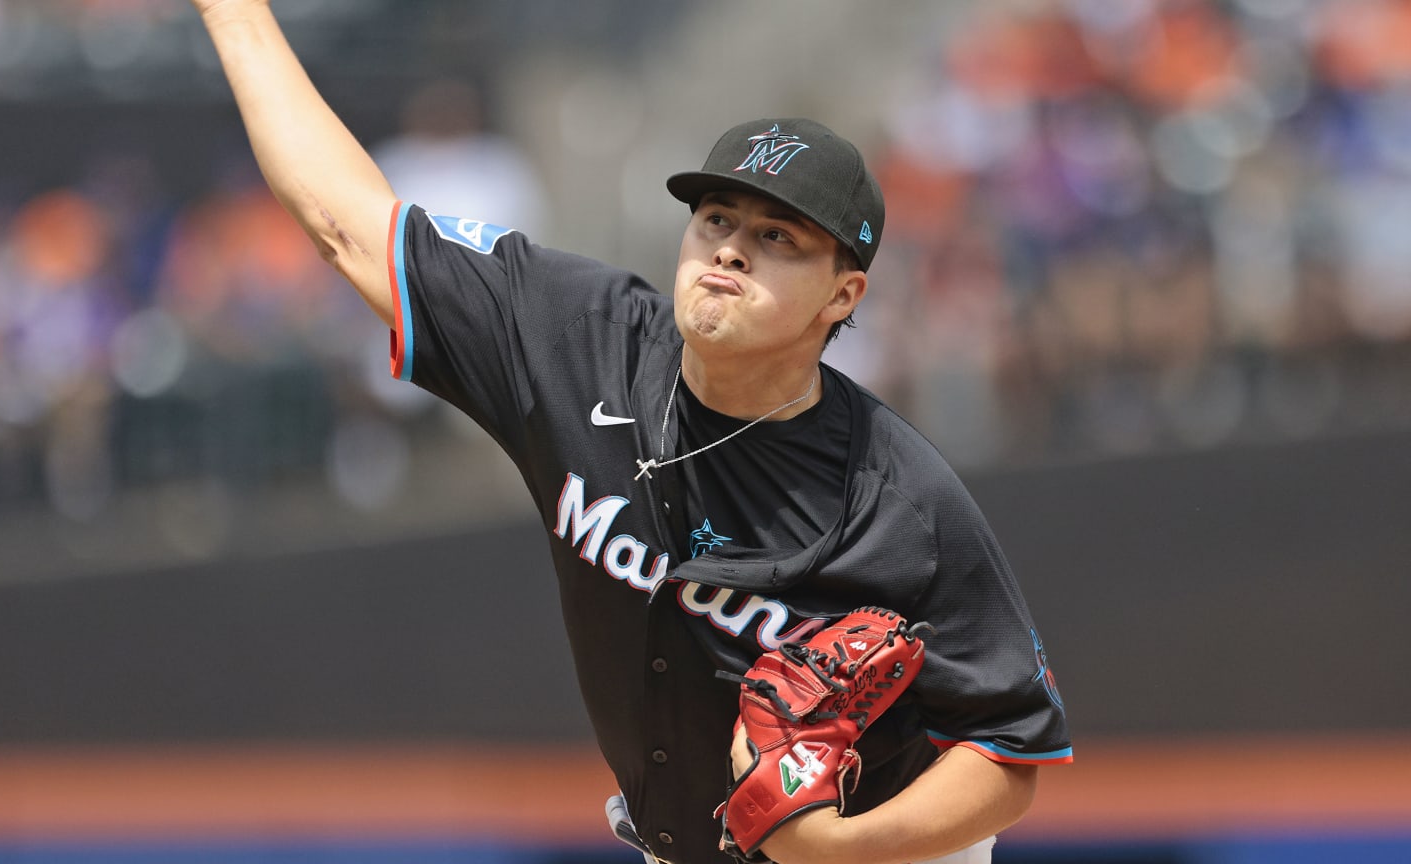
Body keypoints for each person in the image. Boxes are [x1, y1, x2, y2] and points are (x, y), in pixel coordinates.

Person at [189, 2, 1073, 862]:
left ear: (843, 296)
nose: (729, 249)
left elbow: (1010, 746)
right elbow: (348, 225)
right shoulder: (576, 338)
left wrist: (843, 850)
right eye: (717, 219)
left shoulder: (900, 499)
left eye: (778, 237)